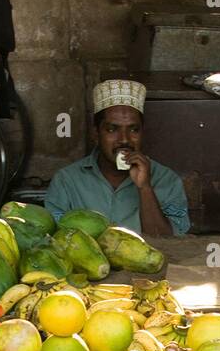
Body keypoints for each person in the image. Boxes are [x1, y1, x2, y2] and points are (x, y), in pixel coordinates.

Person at [45, 79, 190, 237]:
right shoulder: (67, 181)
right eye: (112, 129)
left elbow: (169, 243)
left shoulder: (166, 180)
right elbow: (54, 240)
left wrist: (145, 187)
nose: (124, 140)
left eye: (133, 130)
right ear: (96, 134)